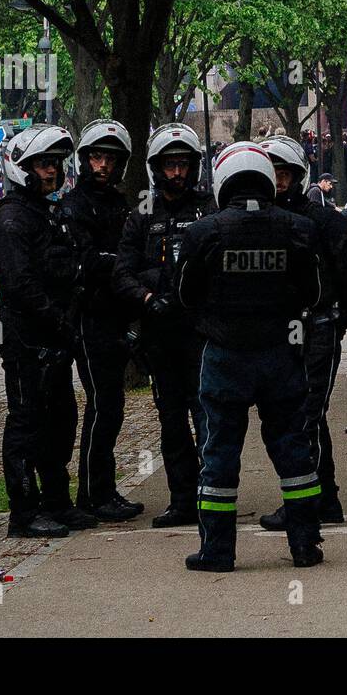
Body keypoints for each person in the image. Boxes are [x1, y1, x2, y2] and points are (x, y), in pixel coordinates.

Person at [176, 142, 325, 571]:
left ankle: (217, 551)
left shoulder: (204, 232)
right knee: (294, 453)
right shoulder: (297, 228)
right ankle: (304, 545)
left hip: (225, 357)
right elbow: (313, 293)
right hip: (282, 356)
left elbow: (186, 294)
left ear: (223, 182)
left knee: (219, 454)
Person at [0, 125, 89, 538]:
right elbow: (20, 284)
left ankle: (56, 501)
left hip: (54, 337)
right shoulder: (11, 219)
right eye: (44, 164)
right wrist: (58, 320)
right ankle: (24, 513)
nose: (52, 171)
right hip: (29, 339)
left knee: (61, 420)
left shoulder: (45, 212)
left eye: (55, 164)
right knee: (27, 423)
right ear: (21, 168)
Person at [113, 123, 215, 528]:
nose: (177, 173)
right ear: (157, 168)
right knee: (172, 421)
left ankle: (214, 493)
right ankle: (181, 499)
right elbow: (122, 272)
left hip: (203, 334)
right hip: (160, 335)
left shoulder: (210, 208)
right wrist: (149, 298)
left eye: (183, 164)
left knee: (207, 416)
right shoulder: (141, 215)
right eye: (170, 165)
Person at [258, 136, 347, 530]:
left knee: (304, 415)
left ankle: (304, 504)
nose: (278, 182)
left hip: (318, 325)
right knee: (304, 416)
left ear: (297, 176)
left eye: (284, 175)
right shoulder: (263, 220)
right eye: (273, 175)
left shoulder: (321, 220)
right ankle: (326, 498)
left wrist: (342, 318)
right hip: (282, 329)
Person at [59, 119, 143, 522]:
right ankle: (93, 494)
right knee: (103, 405)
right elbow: (87, 261)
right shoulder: (74, 206)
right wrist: (123, 265)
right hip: (89, 318)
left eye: (110, 158)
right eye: (96, 156)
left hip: (115, 315)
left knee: (110, 406)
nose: (103, 165)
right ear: (83, 159)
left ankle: (100, 489)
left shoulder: (120, 203)